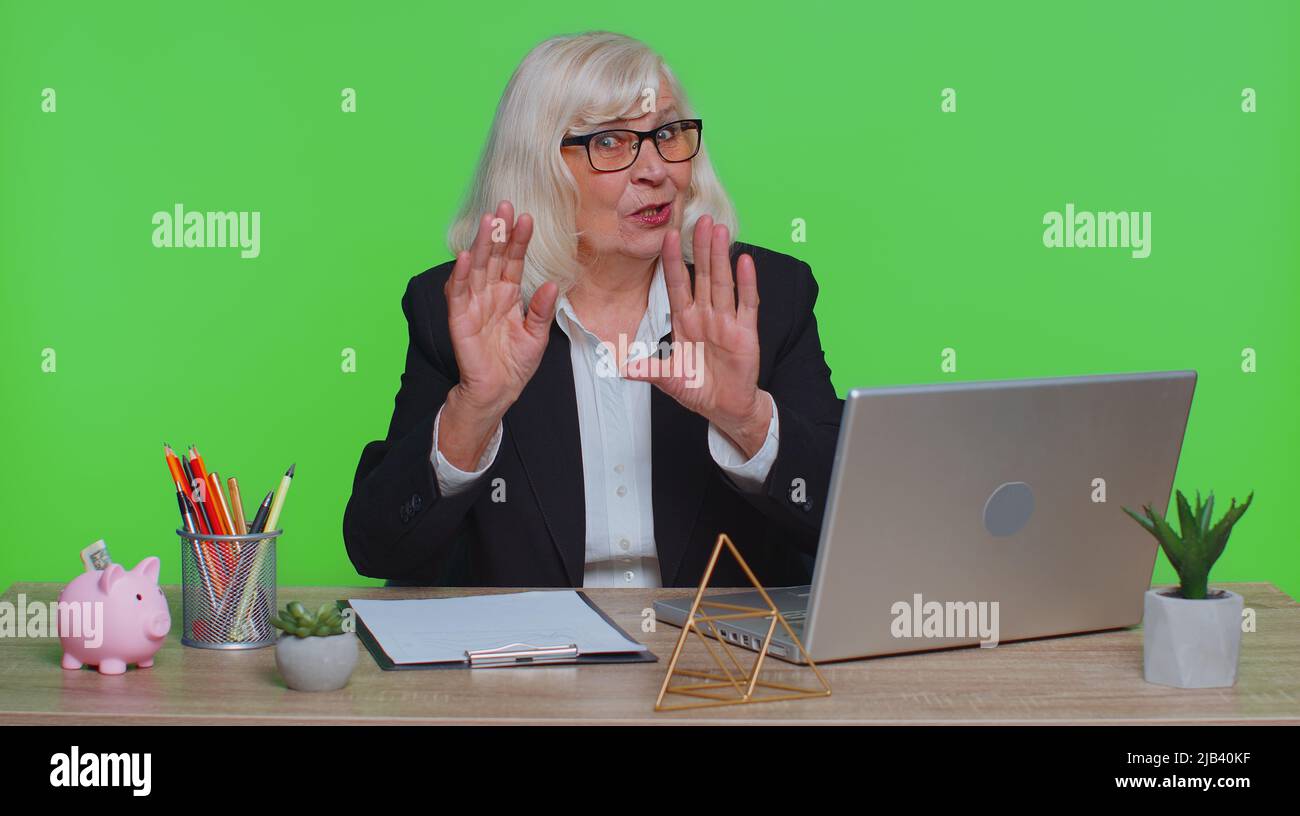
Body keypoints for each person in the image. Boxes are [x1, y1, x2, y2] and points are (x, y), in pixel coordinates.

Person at [343, 31, 842, 588]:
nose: (657, 170)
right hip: (531, 661)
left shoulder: (764, 296)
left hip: (713, 663)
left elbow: (855, 529)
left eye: (668, 134)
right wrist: (473, 411)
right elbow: (379, 549)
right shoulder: (465, 309)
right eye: (610, 142)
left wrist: (747, 418)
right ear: (539, 166)